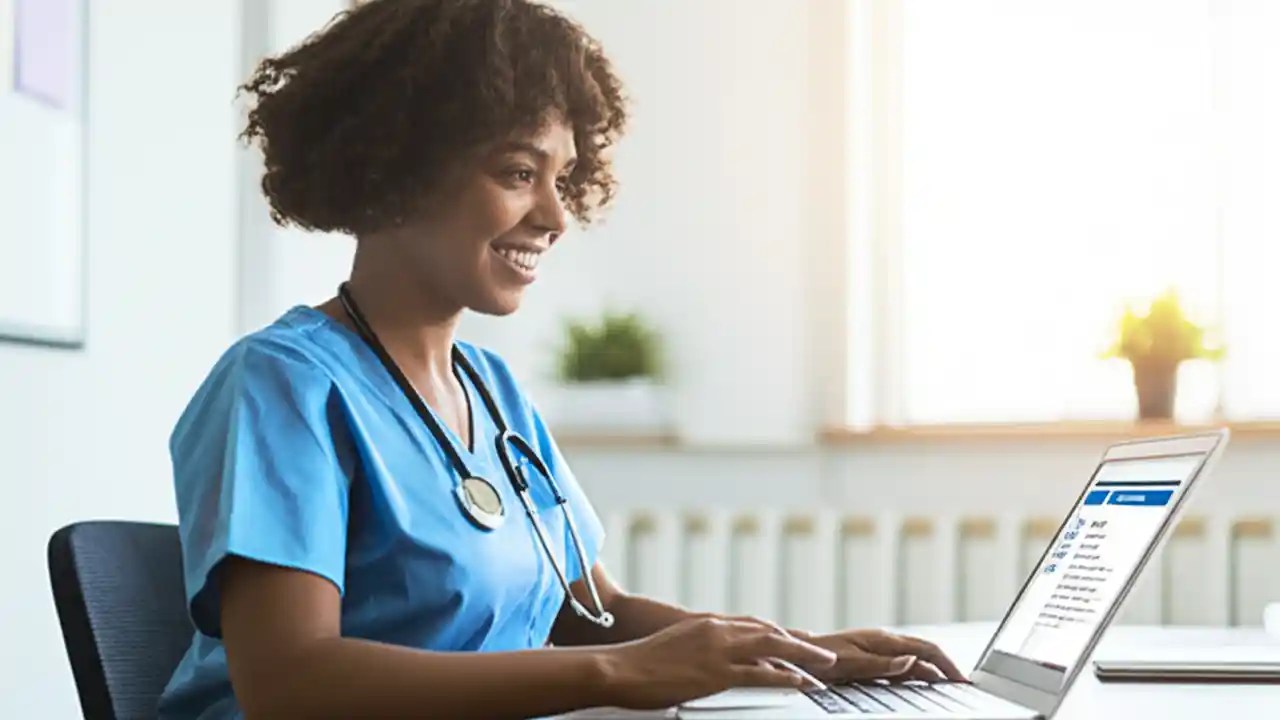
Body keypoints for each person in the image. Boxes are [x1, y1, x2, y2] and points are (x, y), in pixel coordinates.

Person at [157, 1, 964, 718]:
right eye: (517, 173)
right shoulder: (282, 383)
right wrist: (610, 675)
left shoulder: (492, 389)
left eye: (562, 178)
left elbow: (588, 610)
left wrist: (801, 653)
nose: (554, 215)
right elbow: (290, 684)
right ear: (393, 166)